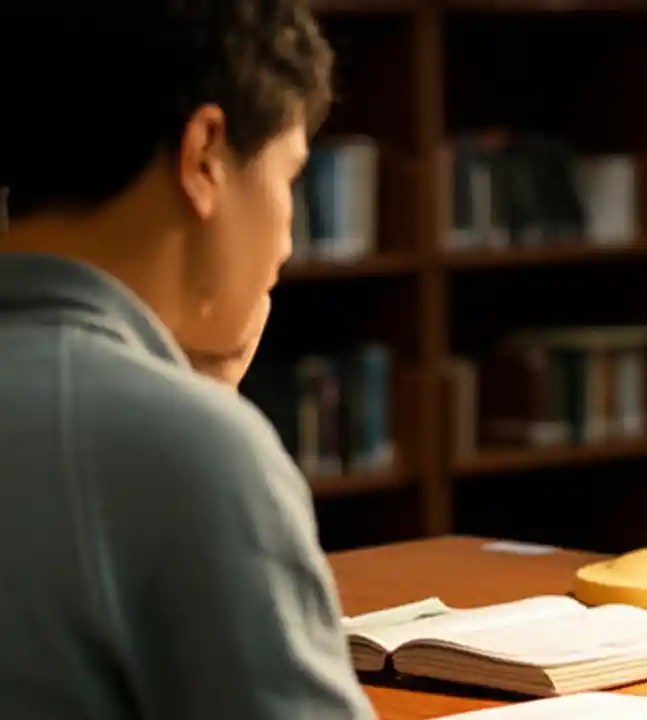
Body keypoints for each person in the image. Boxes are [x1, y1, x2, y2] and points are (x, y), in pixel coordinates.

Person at [0, 2, 376, 718]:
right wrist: (202, 424)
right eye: (289, 177)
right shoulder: (182, 450)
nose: (286, 244)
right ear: (205, 155)